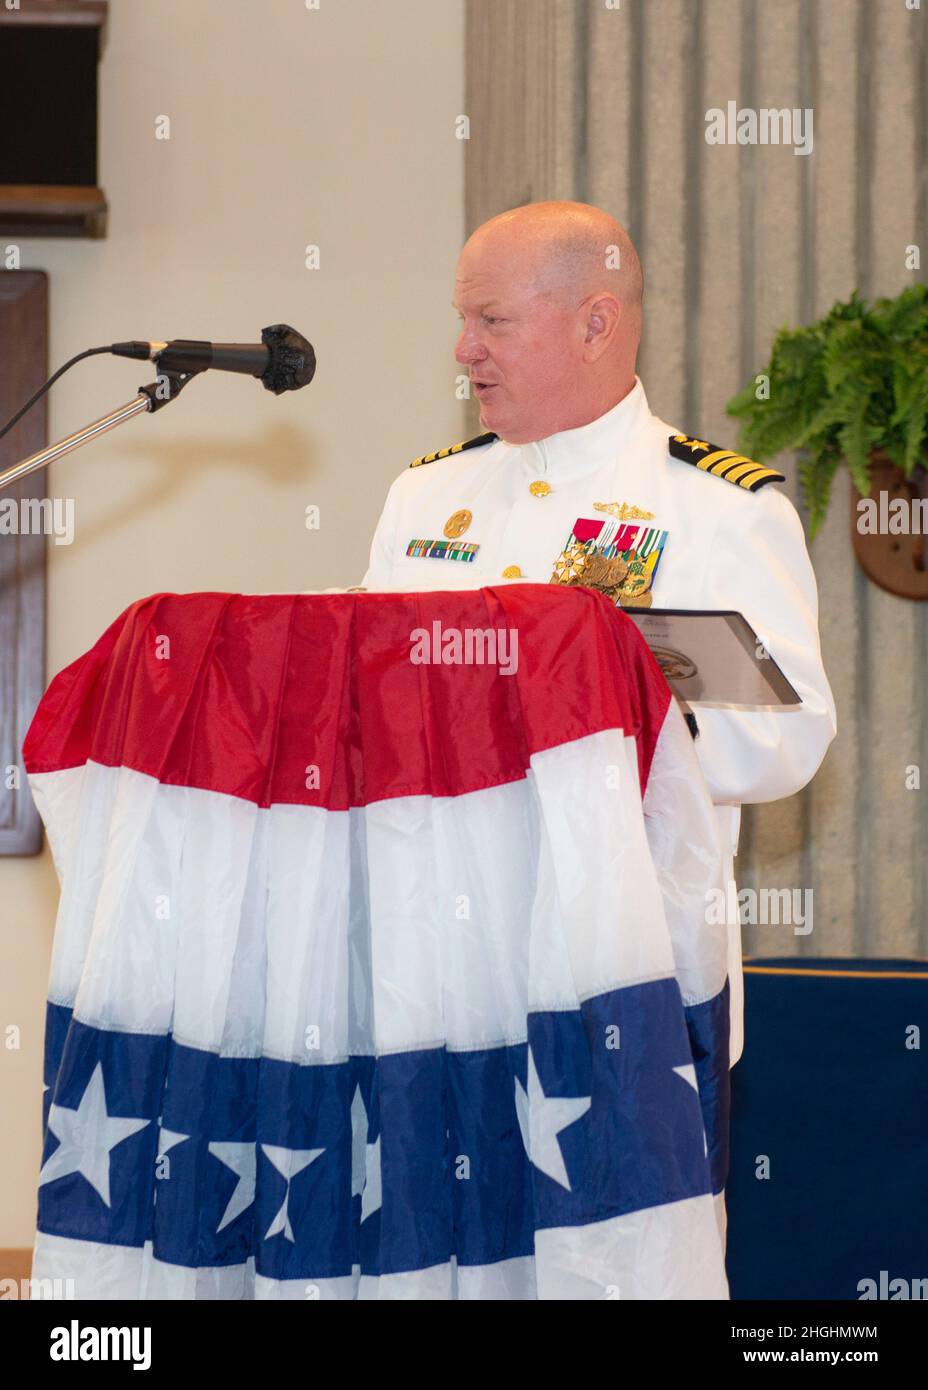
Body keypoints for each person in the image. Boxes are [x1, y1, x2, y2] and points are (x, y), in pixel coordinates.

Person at [362, 200, 837, 1064]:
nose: (464, 348)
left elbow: (790, 735)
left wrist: (601, 719)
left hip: (627, 989)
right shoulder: (425, 497)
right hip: (436, 982)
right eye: (463, 320)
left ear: (595, 322)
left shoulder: (718, 508)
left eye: (491, 320)